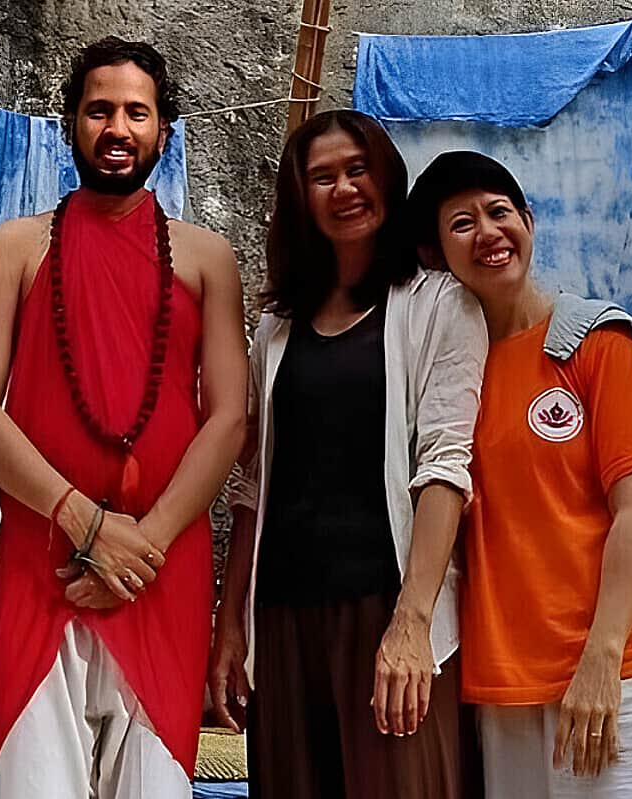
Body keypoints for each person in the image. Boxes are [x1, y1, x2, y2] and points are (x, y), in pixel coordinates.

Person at [0, 36, 247, 798]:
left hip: (162, 568)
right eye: (100, 110)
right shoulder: (16, 247)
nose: (118, 128)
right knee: (33, 782)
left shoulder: (208, 257)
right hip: (44, 556)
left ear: (163, 131)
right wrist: (88, 525)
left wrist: (139, 547)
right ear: (70, 124)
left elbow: (229, 417)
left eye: (136, 113)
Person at [406, 150, 632, 798]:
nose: (488, 232)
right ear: (434, 255)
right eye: (462, 223)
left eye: (499, 211)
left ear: (529, 222)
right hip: (505, 691)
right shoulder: (449, 381)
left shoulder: (598, 341)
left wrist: (603, 657)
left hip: (623, 671)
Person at [209, 110, 487, 799]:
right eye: (322, 176)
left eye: (357, 170)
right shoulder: (277, 325)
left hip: (387, 605)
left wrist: (412, 623)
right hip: (281, 615)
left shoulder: (438, 304)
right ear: (299, 197)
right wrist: (230, 624)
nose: (343, 189)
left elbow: (446, 467)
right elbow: (254, 484)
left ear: (387, 179)